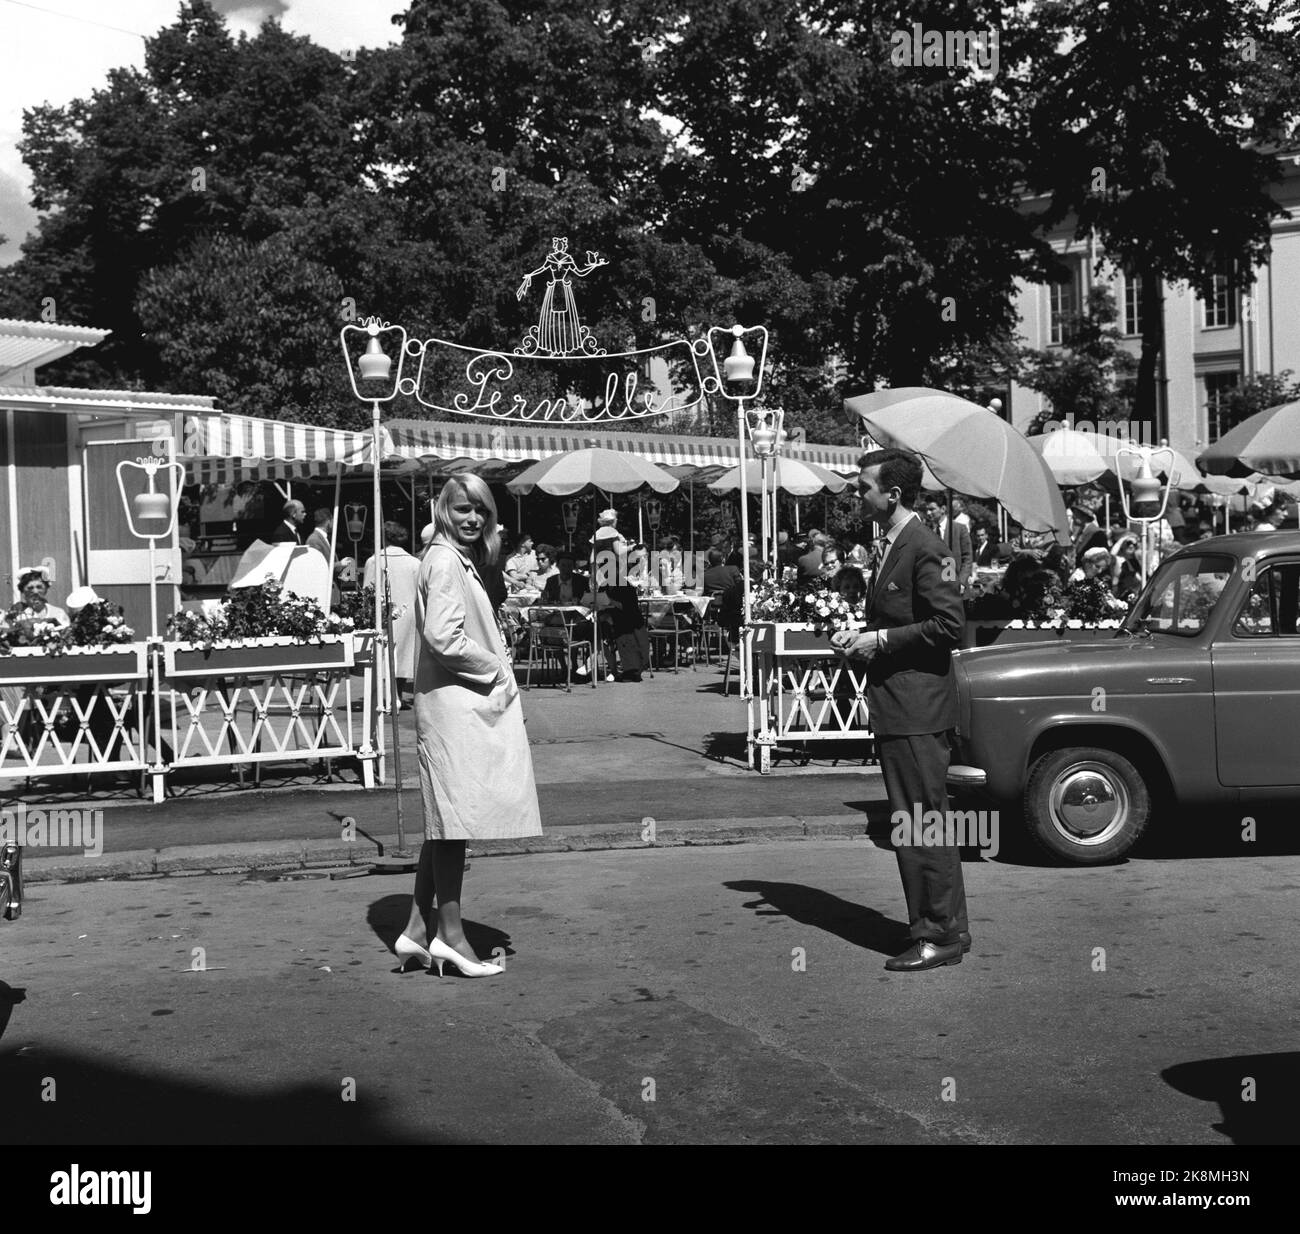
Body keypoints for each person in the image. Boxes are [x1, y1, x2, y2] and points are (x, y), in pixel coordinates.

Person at [395, 475, 542, 979]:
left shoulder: (450, 557)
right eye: (463, 509)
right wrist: (497, 667)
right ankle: (450, 937)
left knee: (445, 821)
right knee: (454, 823)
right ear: (443, 510)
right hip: (456, 708)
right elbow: (443, 636)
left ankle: (417, 928)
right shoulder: (442, 560)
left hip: (453, 705)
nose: (473, 518)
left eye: (481, 510)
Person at [831, 448, 969, 973]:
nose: (857, 492)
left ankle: (936, 935)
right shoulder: (894, 544)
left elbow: (949, 626)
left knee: (918, 823)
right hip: (903, 705)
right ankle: (950, 927)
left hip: (917, 710)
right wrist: (864, 638)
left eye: (864, 485)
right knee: (926, 820)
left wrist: (880, 640)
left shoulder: (924, 546)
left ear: (893, 493)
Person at [363, 523, 422, 701]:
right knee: (403, 656)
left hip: (383, 612)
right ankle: (396, 694)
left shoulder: (374, 561)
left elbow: (368, 591)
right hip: (409, 613)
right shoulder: (414, 562)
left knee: (384, 654)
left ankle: (390, 695)